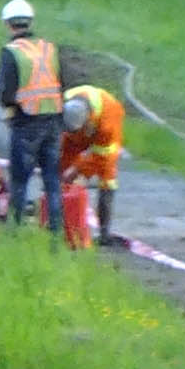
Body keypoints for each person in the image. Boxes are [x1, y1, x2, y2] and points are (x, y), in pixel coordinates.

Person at [0, 0, 65, 236]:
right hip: (53, 120)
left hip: (26, 121)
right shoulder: (49, 48)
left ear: (8, 23)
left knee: (20, 181)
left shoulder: (11, 52)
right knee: (52, 180)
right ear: (30, 21)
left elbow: (5, 94)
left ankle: (16, 231)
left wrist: (11, 107)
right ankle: (56, 232)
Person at [58, 82, 125, 250]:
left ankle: (104, 233)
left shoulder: (109, 119)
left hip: (104, 147)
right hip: (75, 133)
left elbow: (99, 156)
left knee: (107, 180)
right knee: (60, 170)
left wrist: (77, 171)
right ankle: (57, 220)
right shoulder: (65, 102)